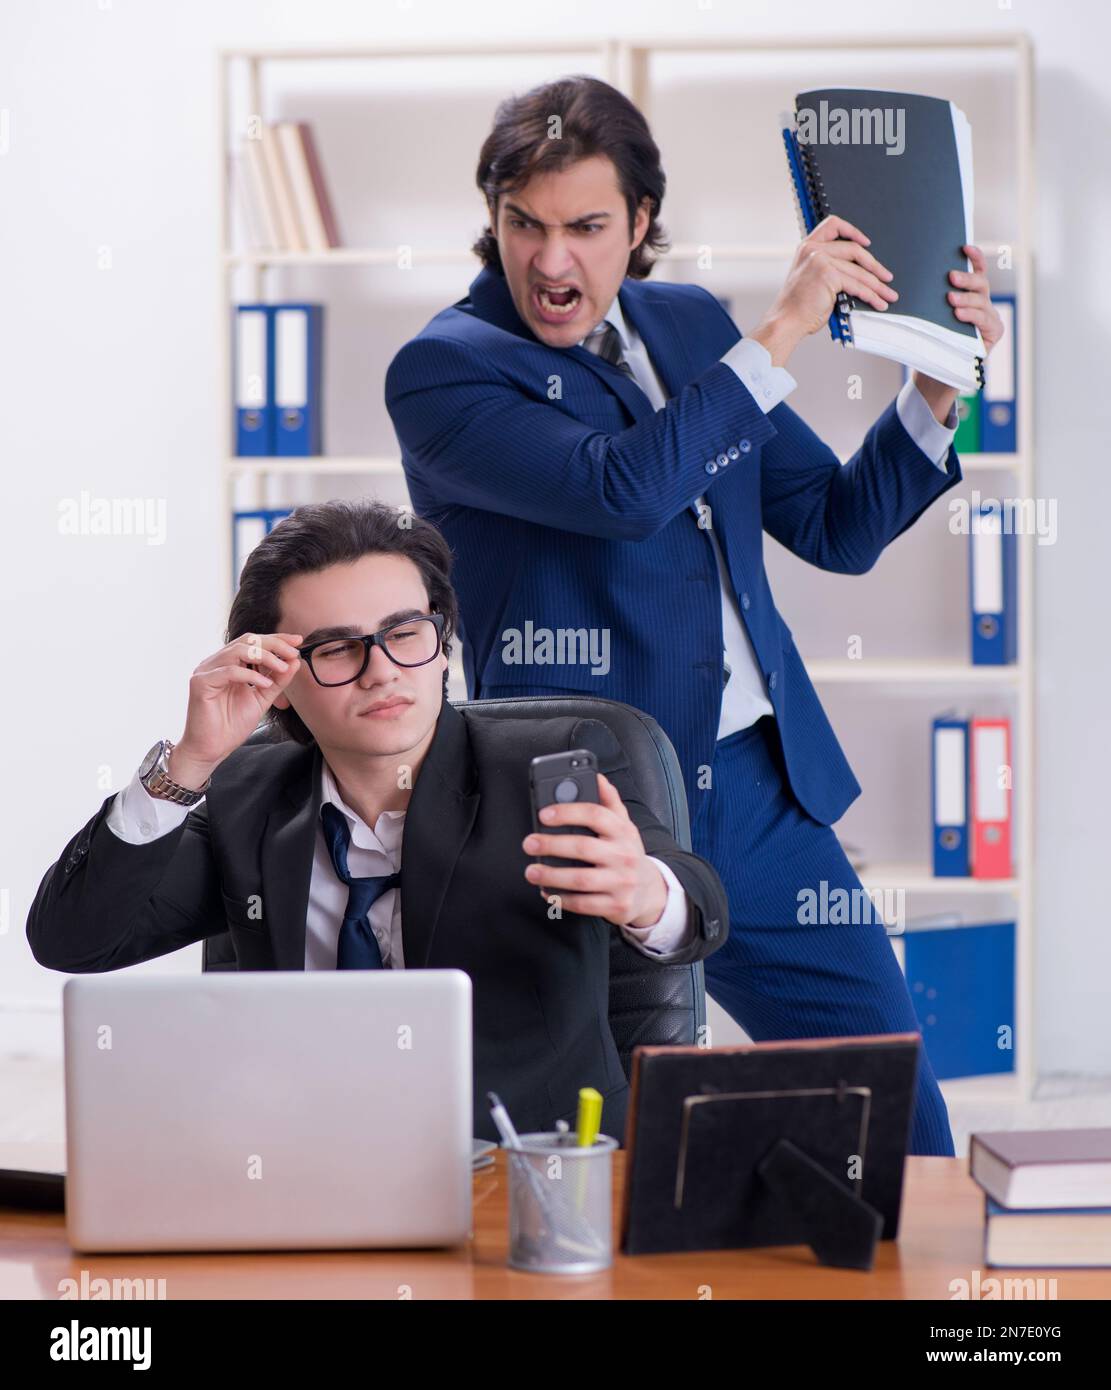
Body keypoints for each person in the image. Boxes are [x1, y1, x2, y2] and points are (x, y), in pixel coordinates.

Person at [385, 76, 1008, 1156]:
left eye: (585, 226)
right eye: (522, 224)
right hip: (584, 814)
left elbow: (831, 524)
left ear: (640, 224)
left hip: (764, 798)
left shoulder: (685, 325)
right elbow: (623, 488)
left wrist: (936, 383)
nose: (549, 261)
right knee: (603, 1153)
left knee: (895, 1115)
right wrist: (782, 332)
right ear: (492, 221)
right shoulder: (445, 371)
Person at [26, 500, 728, 1141]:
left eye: (404, 633)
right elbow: (74, 940)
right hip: (304, 1165)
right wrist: (186, 764)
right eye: (335, 649)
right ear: (275, 679)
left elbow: (695, 905)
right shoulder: (246, 793)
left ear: (443, 641)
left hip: (525, 1174)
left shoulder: (553, 762)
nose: (382, 671)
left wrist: (645, 897)